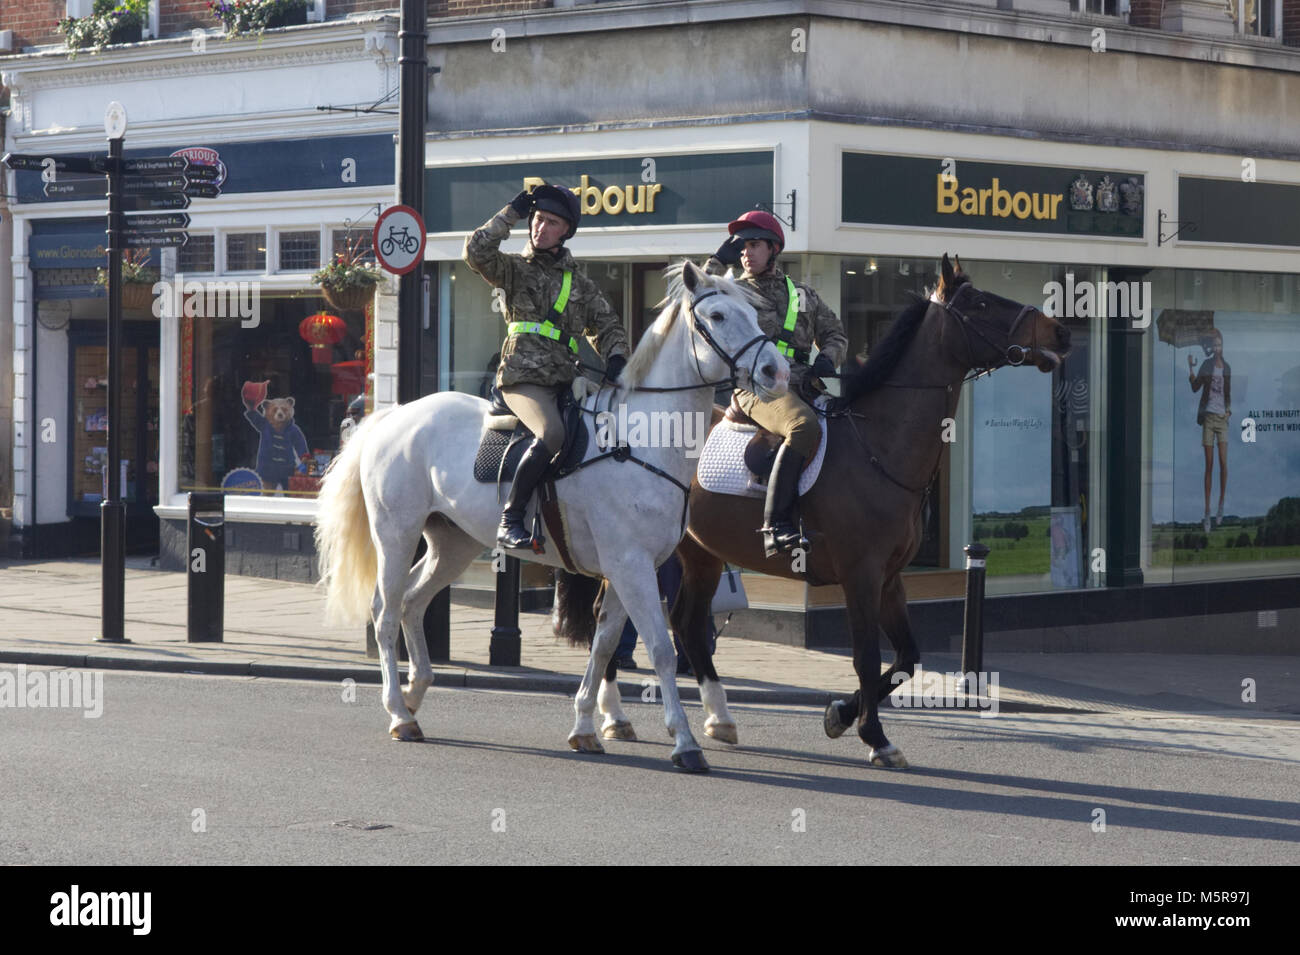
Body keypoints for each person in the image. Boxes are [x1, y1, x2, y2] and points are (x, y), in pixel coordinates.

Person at [464, 183, 630, 549]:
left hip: (564, 380)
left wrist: (617, 358)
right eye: (538, 219)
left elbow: (609, 327)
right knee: (552, 433)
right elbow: (476, 252)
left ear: (566, 231)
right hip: (521, 378)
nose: (540, 228)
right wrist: (510, 213)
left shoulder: (581, 285)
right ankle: (510, 520)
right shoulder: (513, 269)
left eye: (551, 222)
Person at [706, 210, 849, 557]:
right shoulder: (732, 291)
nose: (745, 253)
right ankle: (776, 525)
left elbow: (835, 333)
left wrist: (829, 356)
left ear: (774, 249)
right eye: (740, 247)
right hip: (758, 388)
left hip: (805, 385)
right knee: (802, 426)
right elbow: (695, 294)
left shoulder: (803, 295)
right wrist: (714, 262)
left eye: (753, 245)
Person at [1189, 330, 1231, 534]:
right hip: (1208, 417)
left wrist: (1229, 409)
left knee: (1223, 463)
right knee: (1209, 465)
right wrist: (1191, 369)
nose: (1217, 348)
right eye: (1214, 345)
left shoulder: (1227, 367)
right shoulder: (1206, 365)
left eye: (1219, 344)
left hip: (1222, 420)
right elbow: (1195, 387)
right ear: (1211, 347)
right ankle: (1207, 512)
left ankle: (1220, 505)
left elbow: (1228, 394)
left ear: (1223, 346)